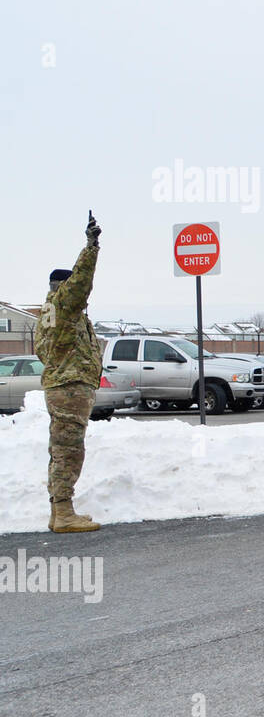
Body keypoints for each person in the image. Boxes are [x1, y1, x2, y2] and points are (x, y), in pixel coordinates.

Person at [36, 213, 104, 533]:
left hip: (61, 387)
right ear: (63, 288)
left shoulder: (48, 313)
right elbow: (80, 283)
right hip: (70, 388)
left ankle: (59, 511)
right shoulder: (64, 304)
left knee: (61, 448)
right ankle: (63, 513)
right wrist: (91, 247)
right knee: (69, 450)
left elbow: (42, 351)